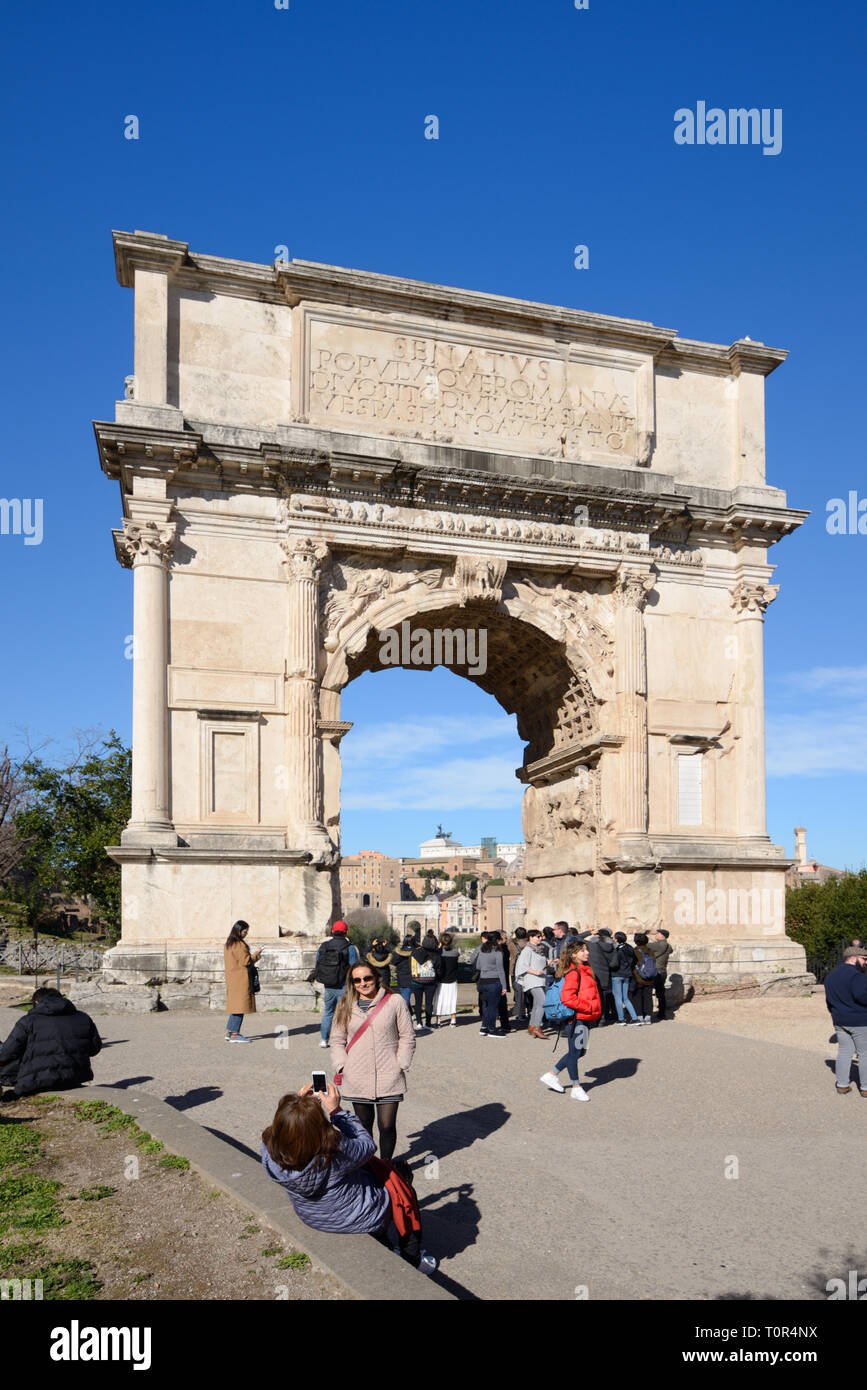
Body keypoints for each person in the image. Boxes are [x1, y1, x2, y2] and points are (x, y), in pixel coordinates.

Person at [261, 1081, 436, 1272]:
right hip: (360, 1218)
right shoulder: (333, 1150)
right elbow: (367, 1145)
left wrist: (296, 1108)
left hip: (312, 1216)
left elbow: (286, 1129)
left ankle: (385, 1244)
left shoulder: (270, 1149)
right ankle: (413, 1258)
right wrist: (336, 1112)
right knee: (402, 1190)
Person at [330, 960, 416, 1161]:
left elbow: (407, 1035)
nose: (363, 983)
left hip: (389, 1073)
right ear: (352, 983)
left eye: (367, 978)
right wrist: (342, 1064)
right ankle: (369, 1165)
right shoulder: (344, 1005)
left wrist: (401, 1062)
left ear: (376, 978)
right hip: (357, 1073)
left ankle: (387, 1165)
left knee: (387, 1125)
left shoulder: (395, 1001)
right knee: (364, 1125)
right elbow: (336, 1039)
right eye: (357, 980)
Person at [0, 987, 102, 1097]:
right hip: (75, 1077)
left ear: (36, 1002)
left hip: (36, 1081)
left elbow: (7, 1053)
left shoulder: (28, 1021)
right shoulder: (83, 1017)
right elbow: (94, 1049)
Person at [539, 941, 602, 1101]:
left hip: (585, 1017)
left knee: (581, 1051)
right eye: (582, 951)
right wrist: (587, 1007)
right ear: (573, 954)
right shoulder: (574, 973)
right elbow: (568, 998)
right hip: (577, 1018)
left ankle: (552, 1074)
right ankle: (576, 1087)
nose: (586, 953)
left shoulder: (586, 970)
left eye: (586, 950)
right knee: (575, 1052)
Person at [823, 944, 867, 1096]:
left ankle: (842, 1085)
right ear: (853, 958)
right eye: (864, 959)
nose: (865, 962)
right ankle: (865, 1088)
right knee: (864, 1053)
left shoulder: (831, 976)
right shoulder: (857, 976)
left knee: (843, 1052)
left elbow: (829, 1000)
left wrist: (835, 1014)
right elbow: (862, 996)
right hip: (860, 1020)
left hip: (840, 1020)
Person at [314, 920, 359, 1049]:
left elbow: (317, 962)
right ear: (346, 932)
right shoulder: (349, 947)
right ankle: (344, 1039)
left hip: (328, 984)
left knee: (328, 1012)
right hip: (344, 984)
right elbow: (354, 966)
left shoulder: (323, 946)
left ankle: (324, 1039)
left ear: (332, 931)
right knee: (345, 1013)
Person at [224, 920, 262, 1043]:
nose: (246, 934)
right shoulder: (239, 944)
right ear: (239, 931)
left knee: (236, 1006)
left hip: (233, 979)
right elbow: (246, 961)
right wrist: (257, 953)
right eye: (244, 932)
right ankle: (235, 1034)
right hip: (241, 979)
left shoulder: (229, 944)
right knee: (240, 1007)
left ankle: (230, 1031)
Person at [469, 932, 508, 1037]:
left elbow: (478, 965)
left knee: (485, 1005)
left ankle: (484, 1027)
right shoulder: (498, 952)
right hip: (494, 981)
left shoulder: (482, 950)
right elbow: (501, 970)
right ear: (497, 940)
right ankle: (492, 1028)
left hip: (483, 980)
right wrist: (504, 986)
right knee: (492, 1006)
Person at [514, 929, 550, 1039]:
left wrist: (551, 962)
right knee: (543, 1001)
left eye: (541, 936)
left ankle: (532, 1025)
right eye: (538, 937)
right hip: (532, 980)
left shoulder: (539, 949)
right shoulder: (527, 950)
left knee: (537, 1004)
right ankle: (537, 1027)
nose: (540, 938)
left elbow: (540, 962)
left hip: (540, 979)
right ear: (531, 937)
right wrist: (535, 971)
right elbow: (521, 966)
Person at [410, 931, 441, 1032]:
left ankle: (419, 1023)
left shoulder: (415, 952)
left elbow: (409, 965)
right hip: (431, 981)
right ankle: (428, 1023)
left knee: (418, 1003)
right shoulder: (437, 955)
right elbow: (439, 970)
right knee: (429, 1003)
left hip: (417, 981)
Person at [586, 927, 616, 1025]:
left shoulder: (592, 945)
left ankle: (595, 1018)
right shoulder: (613, 946)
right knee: (604, 997)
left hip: (594, 974)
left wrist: (588, 932)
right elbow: (614, 963)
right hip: (606, 974)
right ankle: (602, 1019)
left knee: (594, 997)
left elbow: (574, 939)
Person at [611, 932, 640, 1026]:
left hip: (617, 974)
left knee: (618, 998)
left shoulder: (618, 950)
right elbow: (635, 960)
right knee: (625, 998)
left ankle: (621, 1019)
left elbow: (614, 964)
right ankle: (635, 1018)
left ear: (616, 939)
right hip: (627, 974)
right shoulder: (629, 948)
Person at [433, 932, 459, 1027]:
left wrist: (439, 947)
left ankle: (438, 1021)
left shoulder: (438, 953)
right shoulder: (455, 952)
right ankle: (453, 1020)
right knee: (452, 1000)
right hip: (452, 979)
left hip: (441, 980)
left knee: (439, 1000)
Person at [630, 931, 656, 1025]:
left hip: (638, 978)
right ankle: (648, 1016)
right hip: (650, 978)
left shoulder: (634, 951)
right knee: (648, 997)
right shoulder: (651, 951)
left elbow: (632, 964)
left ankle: (639, 1016)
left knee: (637, 997)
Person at [649, 928, 672, 1021]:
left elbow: (643, 945)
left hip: (655, 972)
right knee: (660, 993)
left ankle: (648, 1012)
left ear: (662, 935)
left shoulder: (658, 945)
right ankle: (662, 1013)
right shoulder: (668, 946)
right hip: (663, 971)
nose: (656, 935)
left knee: (648, 992)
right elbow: (671, 951)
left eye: (657, 934)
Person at [510, 927, 529, 1027]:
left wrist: (512, 937)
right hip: (528, 969)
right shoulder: (529, 944)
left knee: (517, 991)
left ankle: (519, 1012)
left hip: (514, 970)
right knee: (528, 991)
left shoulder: (512, 944)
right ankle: (527, 1010)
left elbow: (507, 942)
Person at [392, 935, 416, 1013]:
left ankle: (405, 1015)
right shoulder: (416, 951)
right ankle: (409, 1014)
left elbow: (393, 961)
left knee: (404, 997)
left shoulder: (399, 952)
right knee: (406, 998)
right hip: (414, 976)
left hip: (402, 977)